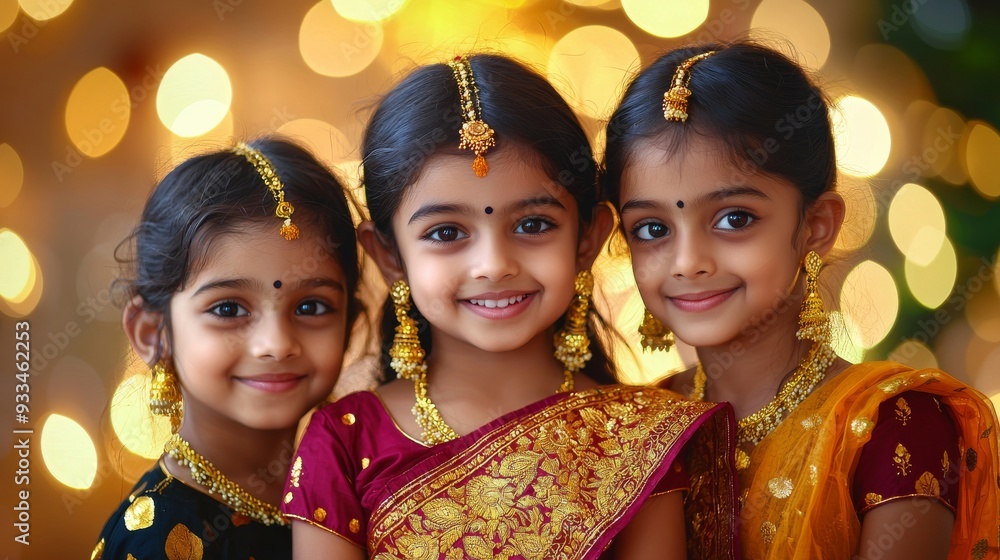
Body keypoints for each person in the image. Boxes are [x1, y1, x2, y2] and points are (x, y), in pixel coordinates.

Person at [282, 54, 738, 559]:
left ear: (588, 239)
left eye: (533, 225)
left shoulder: (640, 439)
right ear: (389, 256)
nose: (494, 265)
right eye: (446, 233)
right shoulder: (343, 443)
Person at [604, 40, 1000, 559]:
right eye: (652, 228)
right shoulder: (637, 434)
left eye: (734, 219)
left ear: (815, 226)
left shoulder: (894, 422)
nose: (687, 261)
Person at [92, 137, 363, 559]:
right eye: (229, 308)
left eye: (311, 306)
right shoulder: (158, 537)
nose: (275, 344)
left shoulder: (353, 491)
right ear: (152, 333)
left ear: (350, 324)